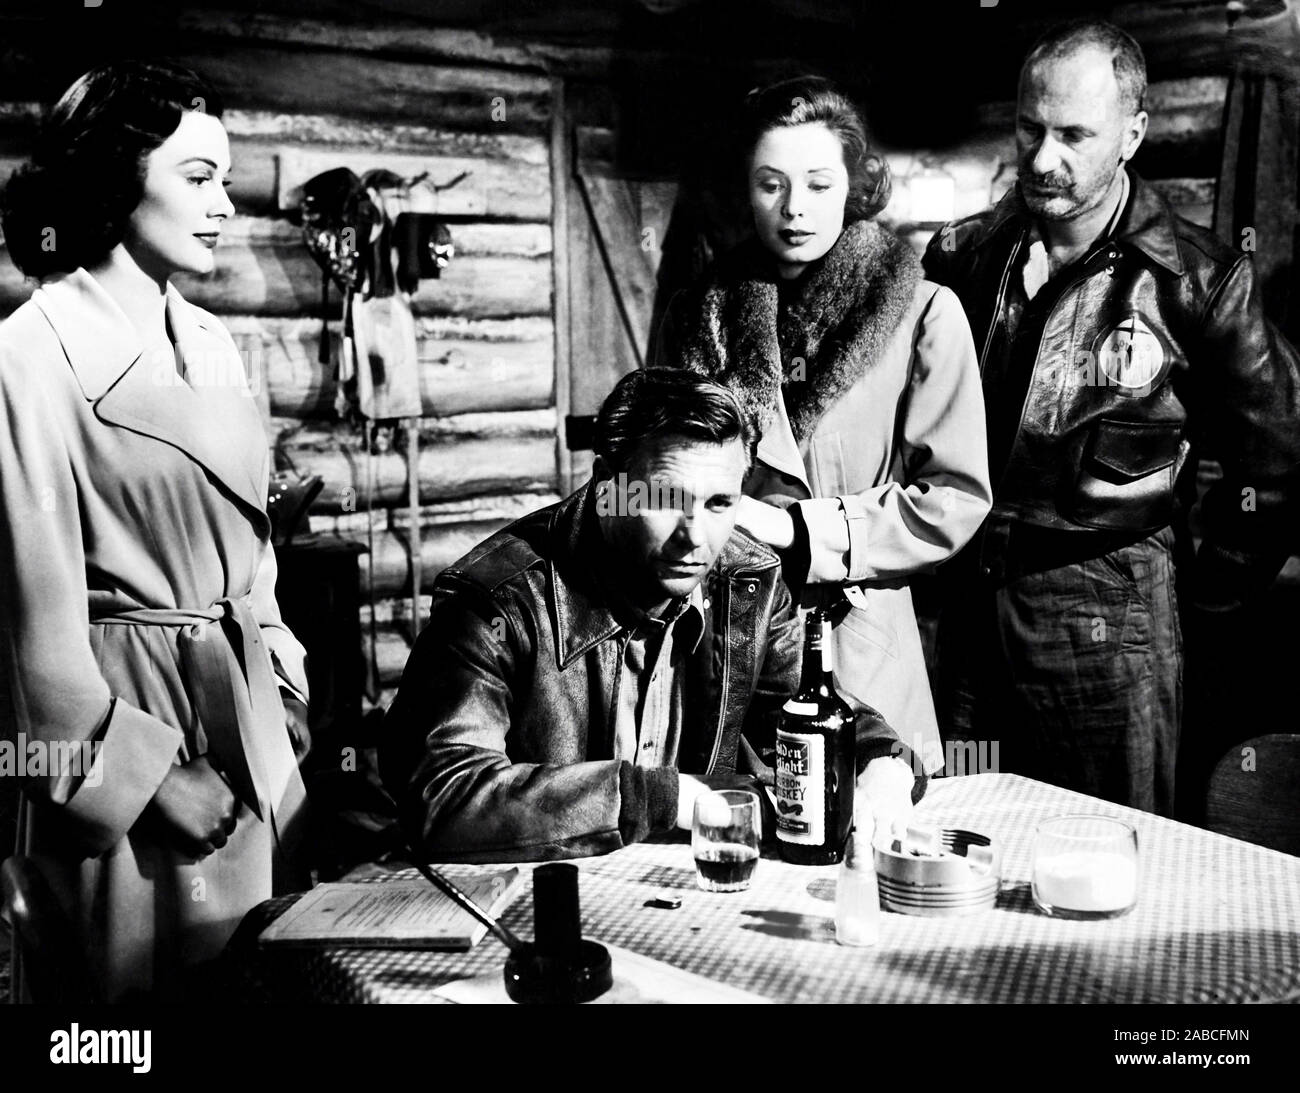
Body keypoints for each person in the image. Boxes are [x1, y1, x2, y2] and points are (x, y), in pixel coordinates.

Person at [921, 20, 1300, 814]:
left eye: (1073, 135)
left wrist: (1196, 599)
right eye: (1030, 129)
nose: (1043, 159)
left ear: (1133, 133)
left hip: (1109, 614)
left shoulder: (1196, 278)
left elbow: (1280, 463)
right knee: (957, 841)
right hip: (964, 609)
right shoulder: (962, 256)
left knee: (1108, 860)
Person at [0, 62, 310, 1001]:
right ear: (117, 180)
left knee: (255, 982)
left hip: (245, 732)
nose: (224, 204)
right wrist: (147, 781)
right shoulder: (29, 355)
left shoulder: (214, 344)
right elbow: (27, 625)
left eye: (226, 176)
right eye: (197, 177)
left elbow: (253, 556)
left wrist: (283, 687)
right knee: (127, 1014)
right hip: (124, 754)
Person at [380, 369, 923, 862]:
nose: (696, 538)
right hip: (534, 900)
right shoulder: (496, 601)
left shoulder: (748, 582)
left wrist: (882, 764)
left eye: (719, 504)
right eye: (665, 499)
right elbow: (445, 799)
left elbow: (805, 712)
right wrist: (667, 798)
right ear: (605, 486)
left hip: (675, 899)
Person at [658, 77, 992, 779]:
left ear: (855, 186)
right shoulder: (699, 318)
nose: (795, 209)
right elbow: (658, 468)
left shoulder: (924, 314)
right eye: (770, 184)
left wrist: (802, 530)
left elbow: (952, 500)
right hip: (723, 644)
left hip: (858, 648)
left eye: (817, 183)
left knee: (864, 846)